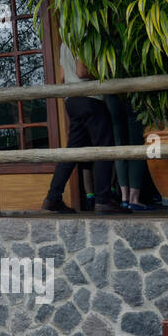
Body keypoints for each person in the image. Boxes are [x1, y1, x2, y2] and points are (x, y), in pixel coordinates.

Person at [42, 39, 129, 214]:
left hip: (72, 100)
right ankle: (103, 200)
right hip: (91, 99)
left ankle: (53, 198)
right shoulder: (83, 36)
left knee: (72, 151)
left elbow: (62, 77)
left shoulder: (65, 42)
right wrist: (105, 73)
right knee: (104, 148)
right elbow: (82, 71)